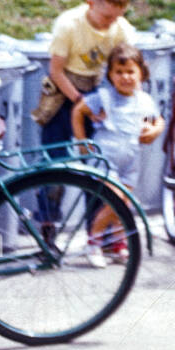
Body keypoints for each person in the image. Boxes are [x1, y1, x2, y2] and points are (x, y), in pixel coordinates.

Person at [31, 0, 136, 235]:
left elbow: (124, 66)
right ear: (90, 3)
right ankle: (48, 225)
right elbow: (55, 70)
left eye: (116, 17)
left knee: (96, 164)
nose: (110, 23)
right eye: (105, 17)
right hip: (62, 94)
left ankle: (97, 232)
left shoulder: (120, 29)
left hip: (95, 94)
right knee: (55, 162)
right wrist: (79, 101)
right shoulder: (69, 25)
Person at [71, 43, 164, 265]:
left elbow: (157, 119)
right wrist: (82, 142)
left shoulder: (144, 100)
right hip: (105, 158)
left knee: (126, 203)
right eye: (119, 72)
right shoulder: (104, 97)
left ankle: (118, 243)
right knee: (116, 200)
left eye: (130, 71)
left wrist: (155, 129)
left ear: (141, 72)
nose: (125, 77)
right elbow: (78, 111)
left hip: (130, 160)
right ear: (110, 75)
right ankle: (93, 242)